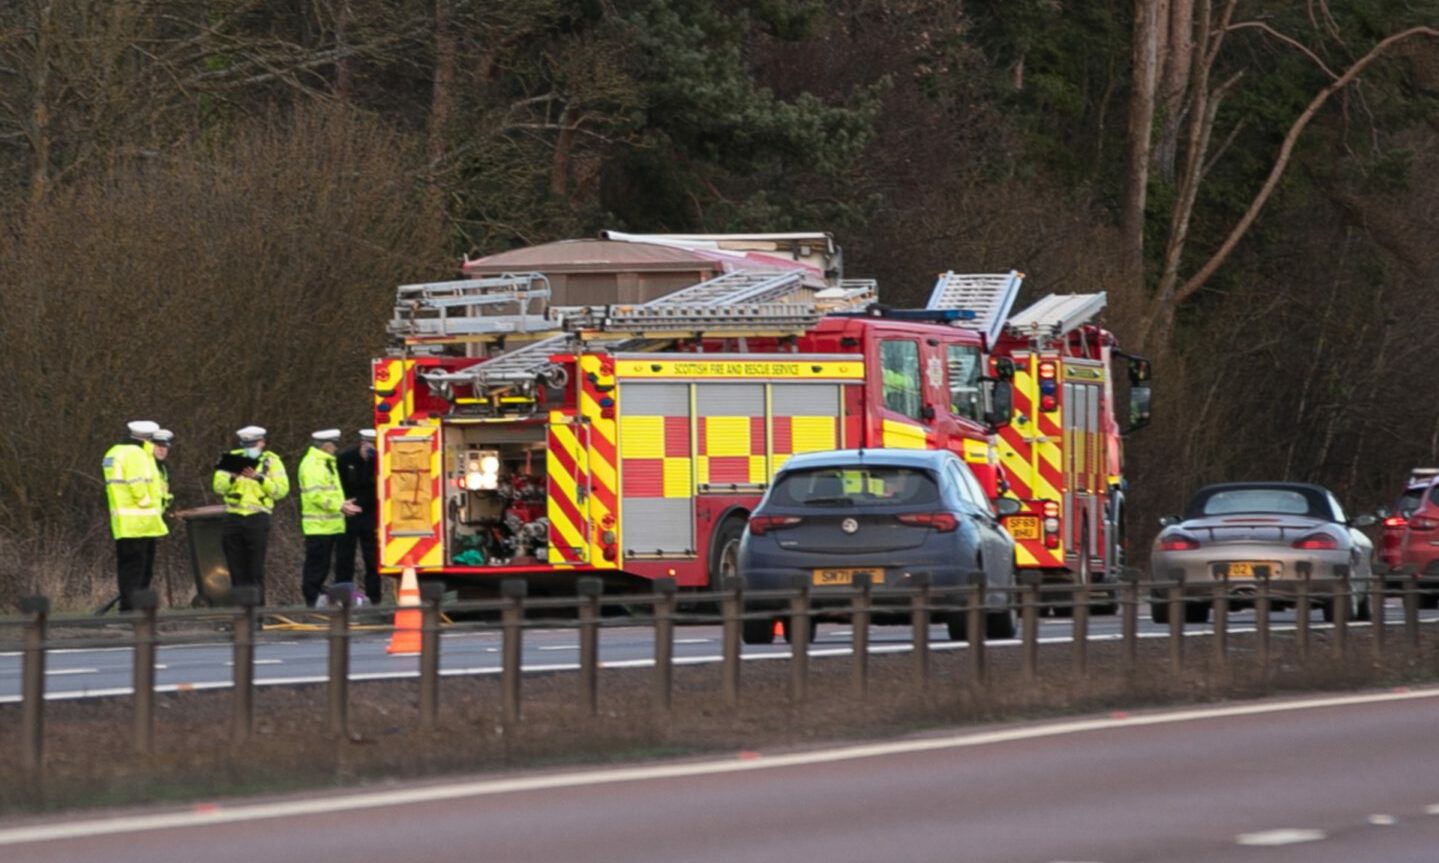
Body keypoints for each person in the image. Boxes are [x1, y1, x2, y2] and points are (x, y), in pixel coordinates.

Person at [213, 425, 289, 605]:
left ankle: (257, 615)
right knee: (236, 569)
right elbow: (217, 487)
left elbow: (281, 491)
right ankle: (240, 614)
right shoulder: (231, 458)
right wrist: (232, 477)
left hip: (257, 518)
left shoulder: (272, 461)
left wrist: (260, 479)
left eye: (253, 444)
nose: (249, 448)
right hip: (233, 517)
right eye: (246, 444)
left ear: (262, 443)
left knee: (255, 569)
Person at [103, 420, 168, 610]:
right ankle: (133, 612)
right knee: (140, 572)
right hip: (141, 522)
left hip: (123, 523)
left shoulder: (113, 452)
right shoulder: (136, 454)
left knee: (127, 569)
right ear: (148, 438)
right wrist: (145, 501)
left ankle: (128, 610)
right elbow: (137, 482)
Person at [297, 429, 360, 606]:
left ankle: (317, 594)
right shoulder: (312, 465)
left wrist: (342, 503)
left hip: (329, 524)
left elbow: (328, 492)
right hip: (318, 525)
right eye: (333, 444)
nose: (335, 448)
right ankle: (312, 598)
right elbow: (315, 495)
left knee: (322, 564)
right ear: (325, 446)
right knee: (316, 565)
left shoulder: (324, 463)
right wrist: (339, 506)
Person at [337, 428, 381, 604]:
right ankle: (343, 595)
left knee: (371, 557)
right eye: (369, 444)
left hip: (370, 514)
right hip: (349, 513)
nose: (371, 449)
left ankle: (374, 597)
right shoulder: (345, 459)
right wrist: (341, 504)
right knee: (345, 556)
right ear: (362, 443)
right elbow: (336, 485)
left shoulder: (379, 461)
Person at [152, 429, 175, 516]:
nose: (162, 450)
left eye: (165, 446)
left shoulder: (164, 468)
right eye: (158, 446)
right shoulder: (144, 465)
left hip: (159, 515)